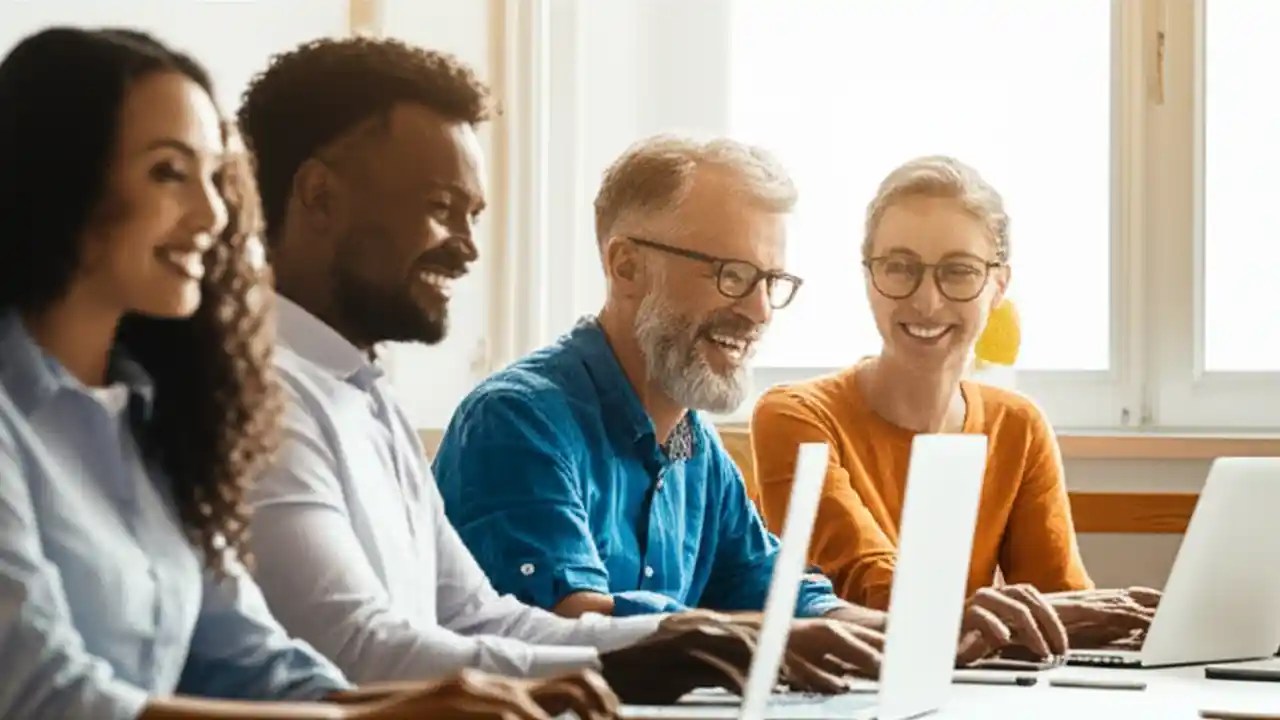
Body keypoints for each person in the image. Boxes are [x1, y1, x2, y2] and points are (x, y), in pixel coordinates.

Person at [0, 27, 617, 720]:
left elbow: (258, 664)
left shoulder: (158, 421)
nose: (214, 214)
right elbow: (45, 696)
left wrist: (467, 699)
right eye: (170, 172)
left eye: (214, 176)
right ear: (55, 177)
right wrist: (363, 717)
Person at [236, 36, 814, 703]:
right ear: (318, 195)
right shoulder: (256, 395)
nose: (469, 249)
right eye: (440, 208)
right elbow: (355, 650)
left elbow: (480, 617)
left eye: (474, 216)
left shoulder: (366, 395)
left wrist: (675, 637)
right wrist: (642, 652)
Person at [433, 135, 1070, 667]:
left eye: (772, 281)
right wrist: (773, 636)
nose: (760, 310)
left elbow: (789, 598)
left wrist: (931, 632)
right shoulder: (518, 421)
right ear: (625, 267)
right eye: (731, 275)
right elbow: (569, 627)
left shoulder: (696, 447)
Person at [749, 155, 1160, 649]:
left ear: (998, 285)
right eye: (899, 268)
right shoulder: (793, 416)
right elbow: (864, 582)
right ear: (867, 276)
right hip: (846, 688)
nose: (927, 301)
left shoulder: (1018, 425)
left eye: (959, 272)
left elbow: (1063, 606)